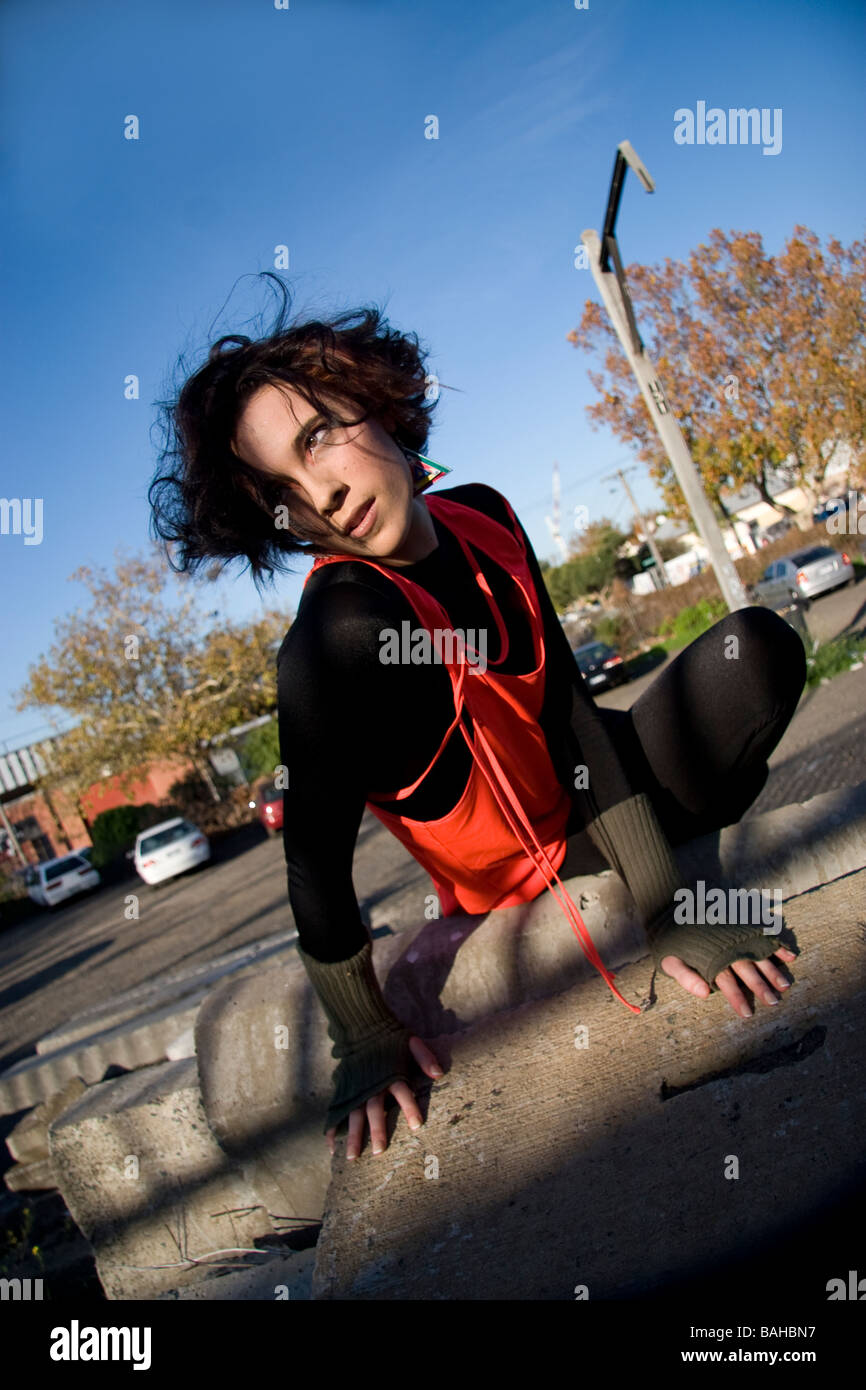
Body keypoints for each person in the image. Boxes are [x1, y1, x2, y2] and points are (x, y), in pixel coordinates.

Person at [149, 278, 806, 1162]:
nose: (325, 495)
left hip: (596, 780)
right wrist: (365, 1034)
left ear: (371, 398)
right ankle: (675, 832)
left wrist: (669, 908)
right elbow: (313, 855)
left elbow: (572, 713)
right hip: (529, 869)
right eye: (287, 489)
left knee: (755, 649)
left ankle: (672, 840)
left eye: (320, 438)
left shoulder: (486, 514)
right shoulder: (340, 633)